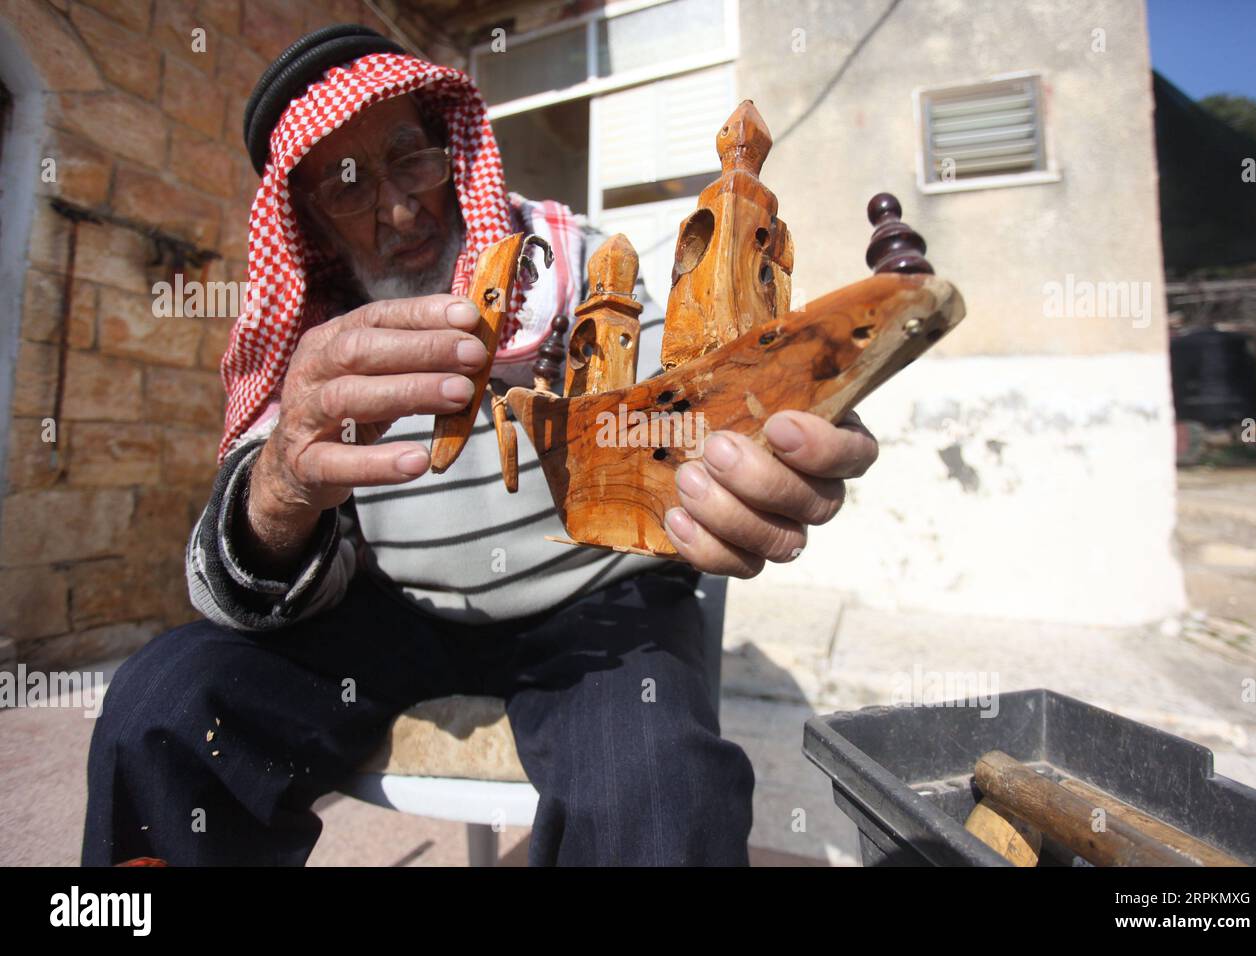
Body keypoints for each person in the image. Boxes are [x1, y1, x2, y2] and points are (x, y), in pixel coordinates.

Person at [81, 26, 879, 866]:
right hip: (394, 610)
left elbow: (696, 392)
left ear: (452, 151)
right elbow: (245, 578)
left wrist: (786, 407)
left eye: (412, 160)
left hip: (594, 610)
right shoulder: (307, 338)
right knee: (162, 708)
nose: (398, 210)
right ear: (309, 218)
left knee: (656, 793)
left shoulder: (578, 264)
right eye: (348, 190)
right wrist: (282, 477)